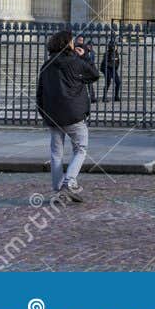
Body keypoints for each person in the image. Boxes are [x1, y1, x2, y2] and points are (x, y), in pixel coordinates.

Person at [36, 27, 100, 203]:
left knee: (56, 154)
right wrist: (84, 56)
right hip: (74, 115)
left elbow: (39, 93)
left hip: (53, 116)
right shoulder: (75, 62)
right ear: (67, 44)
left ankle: (58, 190)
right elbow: (94, 75)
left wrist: (45, 115)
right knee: (81, 149)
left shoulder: (46, 65)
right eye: (72, 41)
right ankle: (69, 182)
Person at [101, 29, 122, 103]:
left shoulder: (117, 53)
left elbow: (118, 62)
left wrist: (115, 67)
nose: (115, 47)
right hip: (107, 69)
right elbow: (104, 63)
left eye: (116, 46)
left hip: (113, 70)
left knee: (118, 82)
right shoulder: (107, 53)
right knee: (108, 82)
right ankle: (104, 97)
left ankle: (116, 96)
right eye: (114, 46)